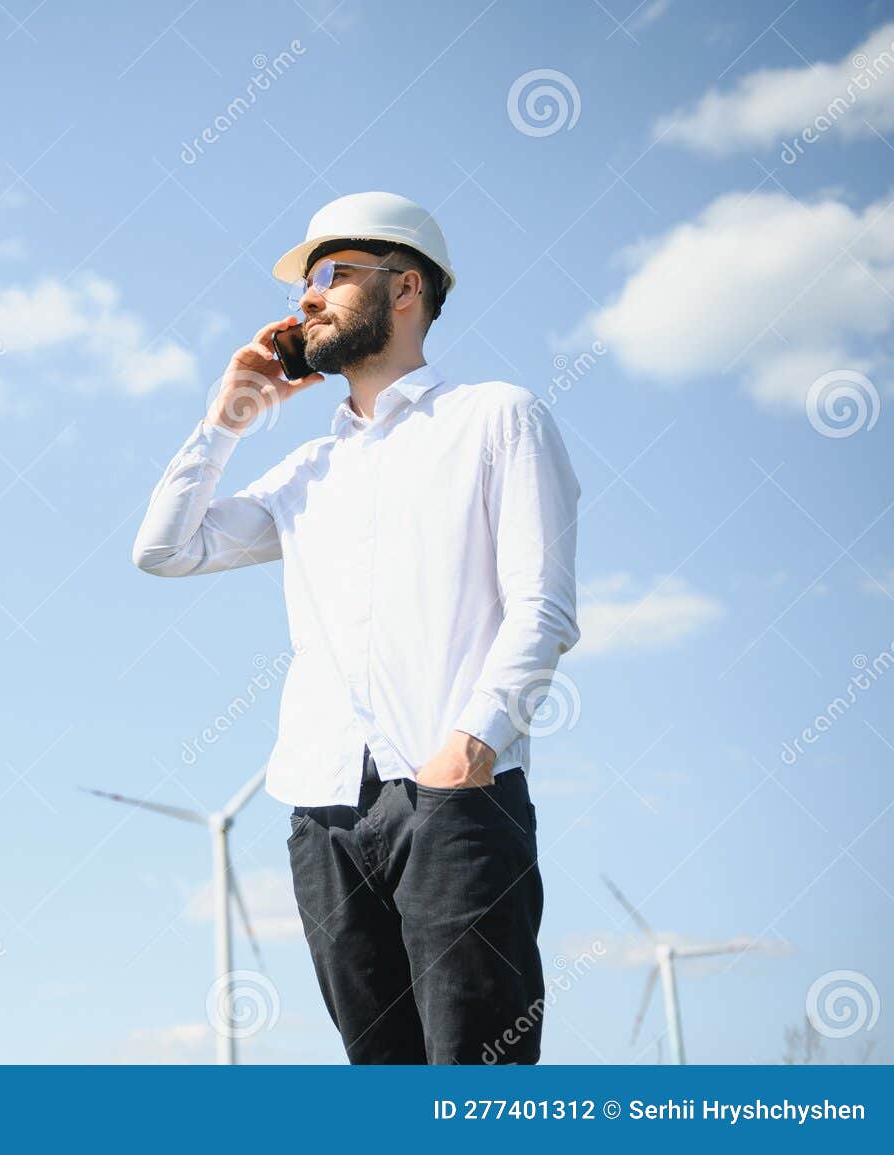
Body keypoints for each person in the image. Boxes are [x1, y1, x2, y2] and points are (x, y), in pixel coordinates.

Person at [131, 192, 581, 1064]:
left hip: (455, 795)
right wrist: (230, 416)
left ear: (406, 287)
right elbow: (163, 549)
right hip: (326, 816)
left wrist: (470, 749)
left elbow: (545, 607)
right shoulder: (309, 470)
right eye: (303, 284)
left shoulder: (497, 416)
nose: (307, 297)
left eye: (332, 274)